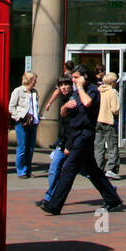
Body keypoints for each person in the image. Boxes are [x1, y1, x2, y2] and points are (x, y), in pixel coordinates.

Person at [39, 65, 123, 215]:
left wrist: (80, 88)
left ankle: (54, 204)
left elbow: (87, 103)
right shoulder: (75, 93)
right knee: (93, 171)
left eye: (76, 77)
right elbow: (65, 113)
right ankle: (112, 198)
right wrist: (65, 107)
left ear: (85, 77)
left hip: (85, 134)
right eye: (73, 77)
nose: (73, 80)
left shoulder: (91, 90)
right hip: (75, 134)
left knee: (69, 169)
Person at [41, 75, 74, 205]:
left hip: (71, 143)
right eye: (61, 85)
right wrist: (49, 102)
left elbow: (73, 126)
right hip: (62, 141)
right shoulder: (63, 98)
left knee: (88, 172)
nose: (63, 88)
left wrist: (69, 146)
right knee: (54, 169)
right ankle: (49, 197)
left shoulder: (73, 100)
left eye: (66, 85)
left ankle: (108, 190)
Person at [8, 71, 40, 179]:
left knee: (30, 148)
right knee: (22, 147)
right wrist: (20, 117)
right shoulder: (18, 91)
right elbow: (11, 108)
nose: (36, 82)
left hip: (33, 122)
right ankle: (21, 170)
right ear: (30, 80)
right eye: (35, 79)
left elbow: (35, 107)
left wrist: (38, 116)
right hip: (22, 123)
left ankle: (28, 170)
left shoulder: (35, 92)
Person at [94, 72, 121, 179]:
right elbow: (114, 109)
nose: (116, 83)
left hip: (98, 120)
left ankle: (97, 168)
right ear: (111, 82)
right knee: (112, 146)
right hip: (109, 120)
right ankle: (111, 168)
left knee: (98, 147)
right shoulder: (112, 92)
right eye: (115, 81)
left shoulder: (98, 91)